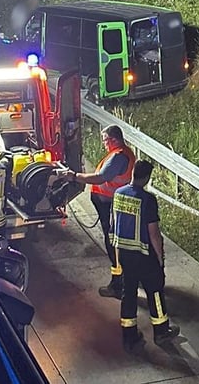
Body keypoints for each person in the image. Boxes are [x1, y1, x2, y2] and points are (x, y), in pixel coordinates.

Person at [58, 124, 135, 298]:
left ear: (114, 139)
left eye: (105, 140)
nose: (104, 144)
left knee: (113, 245)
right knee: (114, 244)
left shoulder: (118, 157)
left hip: (112, 206)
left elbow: (101, 178)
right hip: (110, 205)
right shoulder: (119, 153)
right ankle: (124, 281)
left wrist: (74, 176)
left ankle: (119, 285)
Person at [111, 160, 180, 351]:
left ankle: (129, 337)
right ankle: (161, 332)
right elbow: (154, 233)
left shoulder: (118, 193)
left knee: (129, 294)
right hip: (144, 254)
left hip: (125, 253)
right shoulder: (148, 199)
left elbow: (114, 224)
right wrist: (160, 258)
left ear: (133, 173)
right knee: (155, 291)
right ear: (148, 177)